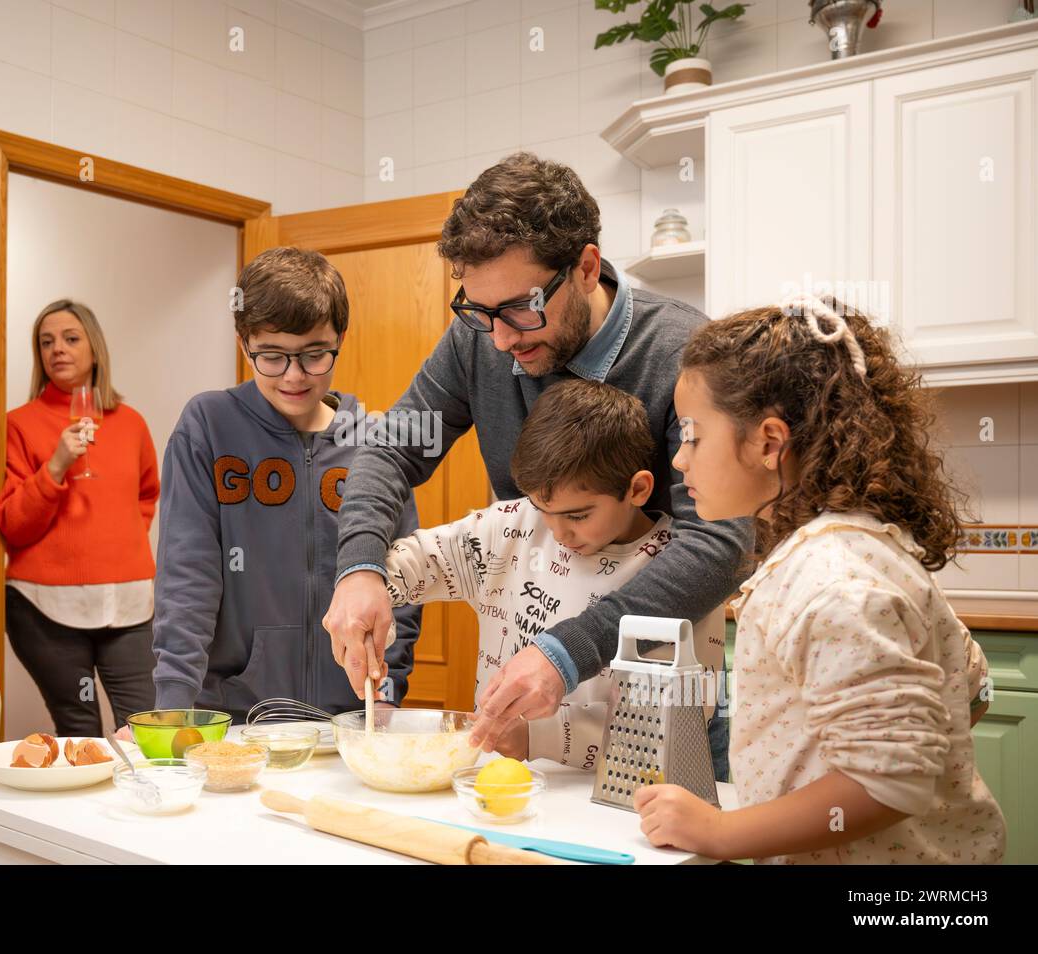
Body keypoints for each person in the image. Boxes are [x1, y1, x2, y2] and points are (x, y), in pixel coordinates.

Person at [322, 152, 753, 761]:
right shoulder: (483, 338)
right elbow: (391, 446)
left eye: (521, 309)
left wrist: (567, 650)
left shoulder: (683, 355)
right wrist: (361, 568)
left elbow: (722, 542)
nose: (500, 339)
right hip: (526, 716)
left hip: (653, 712)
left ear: (585, 267)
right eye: (479, 311)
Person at [635, 294, 1005, 864]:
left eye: (692, 435)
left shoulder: (829, 580)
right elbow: (970, 690)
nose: (679, 461)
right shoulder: (858, 545)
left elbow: (892, 782)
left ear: (768, 442)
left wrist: (719, 833)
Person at [380, 379, 726, 772]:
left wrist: (536, 737)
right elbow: (420, 559)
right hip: (501, 791)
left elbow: (675, 725)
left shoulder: (683, 574)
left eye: (578, 515)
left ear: (638, 489)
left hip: (618, 808)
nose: (558, 532)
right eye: (543, 509)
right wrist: (369, 585)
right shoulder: (511, 528)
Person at [150, 247, 421, 721]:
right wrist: (172, 706)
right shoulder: (208, 426)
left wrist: (387, 688)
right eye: (272, 357)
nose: (295, 377)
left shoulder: (374, 442)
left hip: (351, 718)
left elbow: (402, 575)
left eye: (315, 355)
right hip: (234, 717)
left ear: (340, 339)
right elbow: (186, 575)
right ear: (244, 344)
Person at [0, 299, 159, 736]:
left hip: (129, 603)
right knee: (79, 730)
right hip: (42, 605)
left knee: (146, 729)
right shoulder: (18, 425)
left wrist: (115, 547)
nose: (57, 350)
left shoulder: (132, 424)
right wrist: (56, 466)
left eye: (70, 339)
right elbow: (13, 523)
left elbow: (146, 497)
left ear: (94, 348)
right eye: (46, 342)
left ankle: (146, 806)